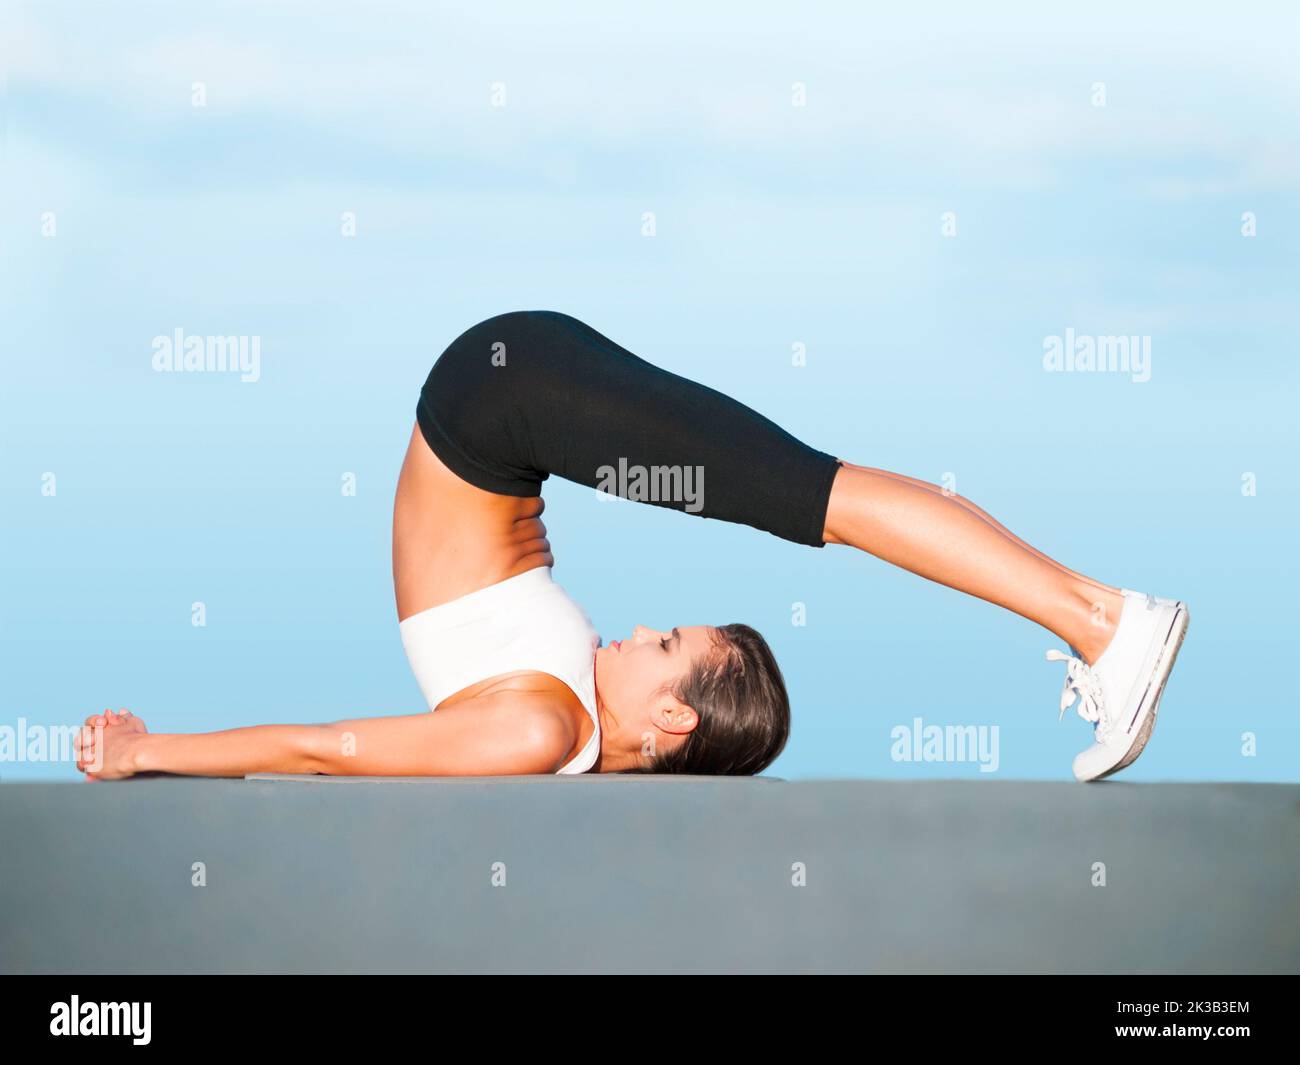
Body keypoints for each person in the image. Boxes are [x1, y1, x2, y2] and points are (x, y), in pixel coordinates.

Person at [78, 310, 1188, 782]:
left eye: (659, 643)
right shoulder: (558, 725)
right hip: (510, 405)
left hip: (512, 398)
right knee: (816, 494)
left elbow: (328, 750)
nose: (637, 632)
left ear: (669, 717)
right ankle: (1096, 617)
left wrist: (149, 749)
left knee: (821, 497)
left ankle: (1105, 623)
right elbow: (335, 745)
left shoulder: (533, 729)